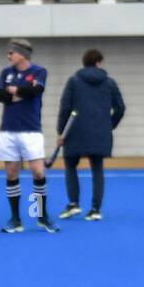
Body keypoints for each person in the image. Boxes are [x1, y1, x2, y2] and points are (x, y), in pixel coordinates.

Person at [56, 48, 125, 221]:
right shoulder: (110, 83)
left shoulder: (73, 81)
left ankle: (73, 204)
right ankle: (95, 209)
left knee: (71, 166)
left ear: (84, 63)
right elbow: (120, 108)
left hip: (74, 132)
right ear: (99, 62)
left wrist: (61, 131)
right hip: (100, 132)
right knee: (97, 169)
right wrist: (110, 125)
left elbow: (65, 108)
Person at [0, 39, 55, 233]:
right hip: (8, 130)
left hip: (31, 130)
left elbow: (36, 91)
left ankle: (41, 215)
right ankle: (15, 218)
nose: (8, 56)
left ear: (22, 54)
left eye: (11, 52)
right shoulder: (6, 72)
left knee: (38, 171)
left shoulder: (38, 71)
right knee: (11, 173)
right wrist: (18, 95)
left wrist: (15, 91)